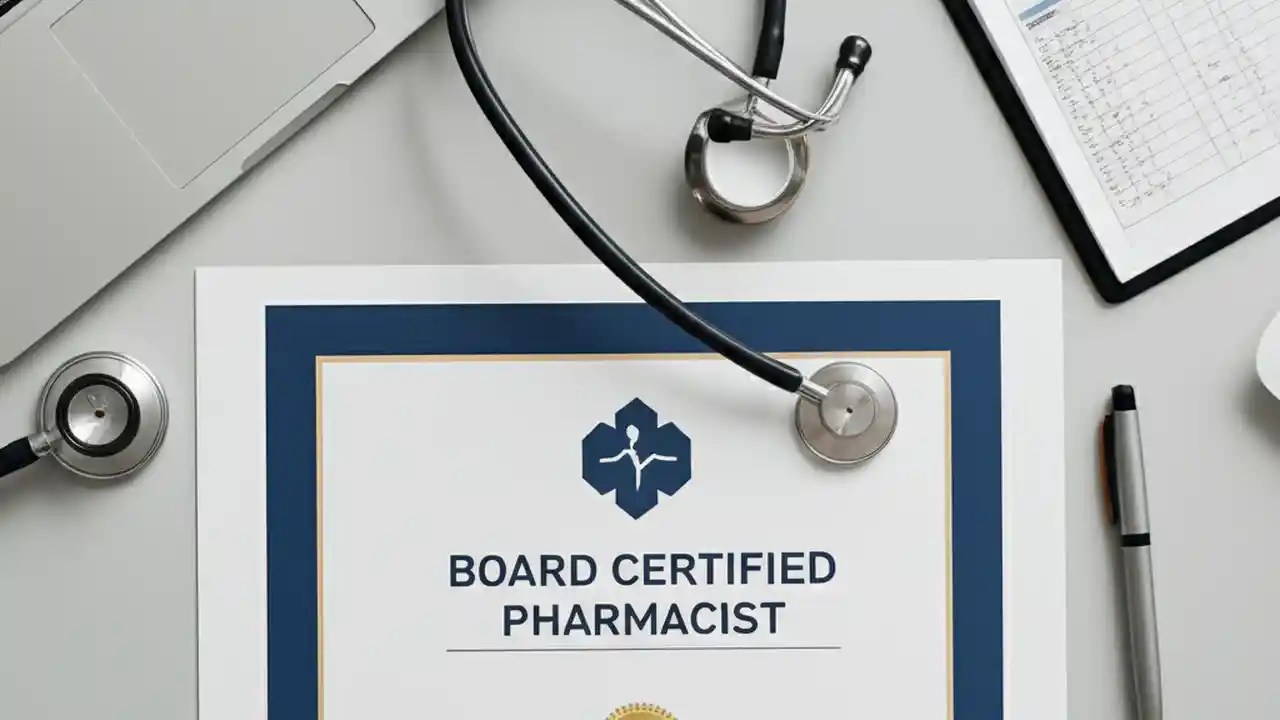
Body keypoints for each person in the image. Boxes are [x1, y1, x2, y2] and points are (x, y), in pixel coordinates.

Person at [599, 425, 677, 492]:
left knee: (653, 456)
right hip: (637, 466)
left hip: (639, 465)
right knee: (650, 460)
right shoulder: (627, 450)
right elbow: (615, 458)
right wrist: (602, 460)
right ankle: (673, 459)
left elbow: (615, 458)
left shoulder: (632, 448)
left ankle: (673, 458)